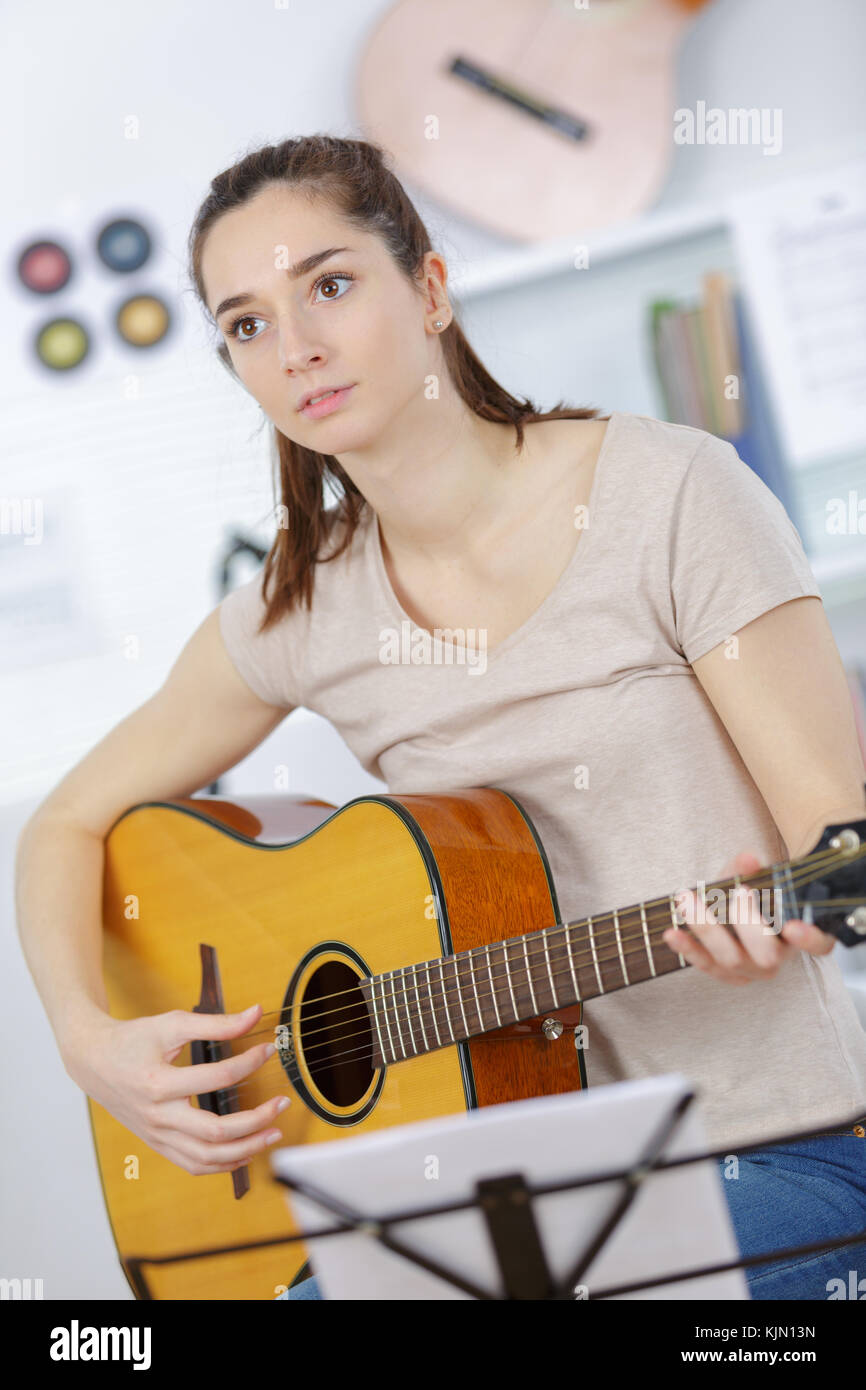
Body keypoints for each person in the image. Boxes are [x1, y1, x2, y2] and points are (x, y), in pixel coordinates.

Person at [15, 135, 866, 1304]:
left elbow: (843, 847)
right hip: (483, 1190)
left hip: (780, 1150)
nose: (297, 345)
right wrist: (87, 1041)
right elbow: (62, 825)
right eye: (247, 324)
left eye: (328, 283)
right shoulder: (300, 607)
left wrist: (791, 918)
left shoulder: (670, 496)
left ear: (426, 285)